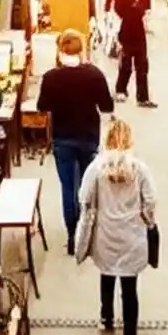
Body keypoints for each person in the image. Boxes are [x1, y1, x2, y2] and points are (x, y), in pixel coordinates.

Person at [74, 118, 157, 335]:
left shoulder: (97, 168)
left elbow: (83, 197)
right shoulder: (140, 169)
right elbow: (151, 200)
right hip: (132, 237)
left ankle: (106, 317)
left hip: (105, 235)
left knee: (107, 275)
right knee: (130, 288)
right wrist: (144, 217)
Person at [35, 30, 114, 255]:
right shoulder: (94, 74)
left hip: (63, 138)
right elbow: (107, 106)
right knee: (88, 185)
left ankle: (72, 237)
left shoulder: (51, 77)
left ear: (59, 52)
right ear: (82, 50)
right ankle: (88, 232)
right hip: (88, 136)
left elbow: (42, 106)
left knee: (68, 187)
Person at [113, 0, 156, 107]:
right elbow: (119, 9)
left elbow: (145, 10)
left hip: (138, 32)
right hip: (128, 32)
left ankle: (142, 97)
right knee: (126, 63)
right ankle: (120, 90)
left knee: (142, 65)